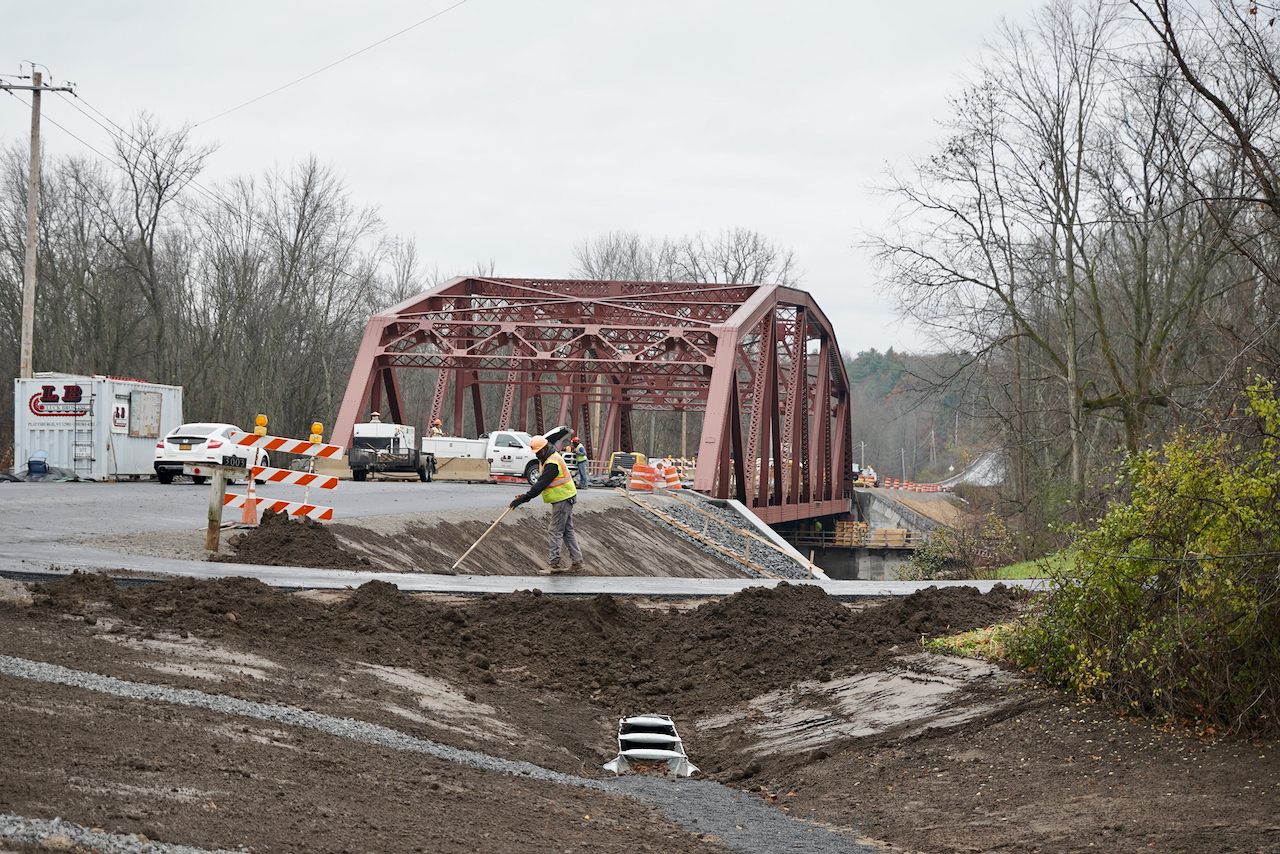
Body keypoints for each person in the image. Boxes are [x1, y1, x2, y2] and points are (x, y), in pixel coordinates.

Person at [509, 436, 584, 574]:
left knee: (555, 530)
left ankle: (554, 565)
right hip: (565, 497)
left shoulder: (552, 463)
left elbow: (540, 485)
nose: (536, 455)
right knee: (567, 531)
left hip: (563, 499)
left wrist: (523, 499)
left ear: (544, 449)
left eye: (538, 452)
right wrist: (525, 497)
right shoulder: (549, 458)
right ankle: (577, 561)